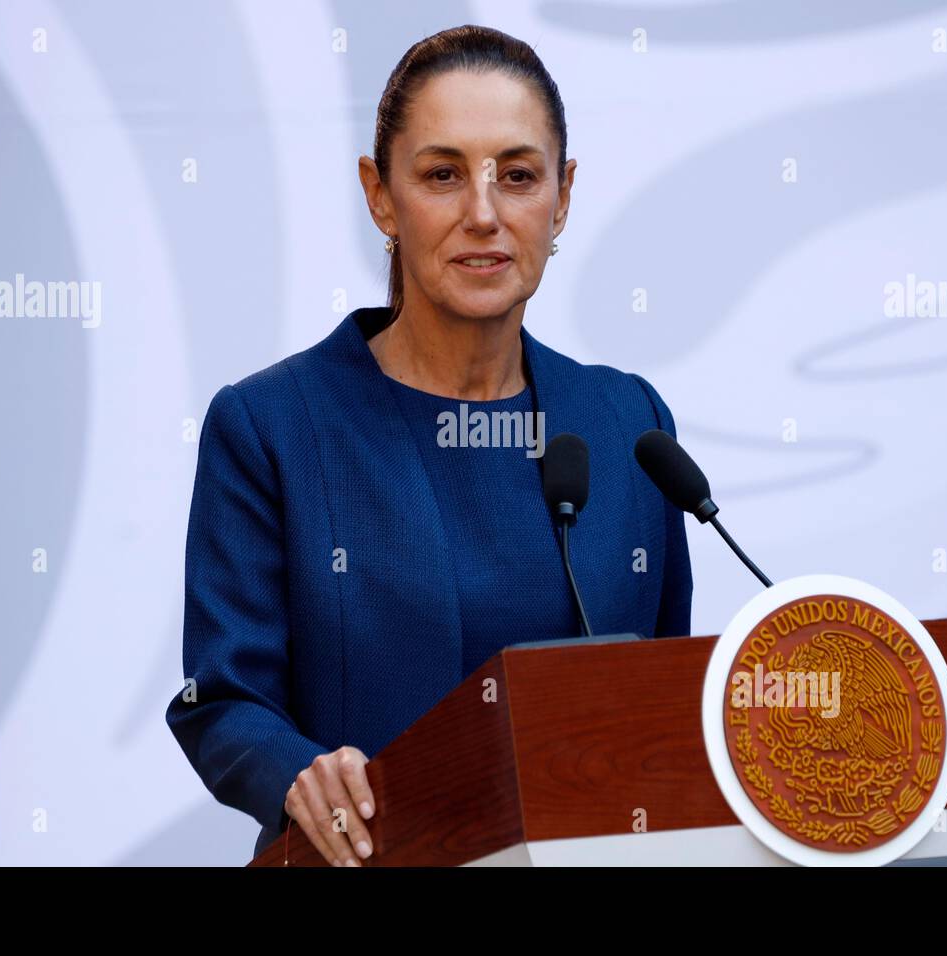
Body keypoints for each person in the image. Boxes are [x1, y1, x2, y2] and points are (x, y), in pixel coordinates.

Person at [165, 24, 692, 867]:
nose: (483, 214)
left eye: (518, 176)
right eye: (442, 175)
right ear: (380, 195)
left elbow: (667, 695)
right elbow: (221, 700)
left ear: (562, 198)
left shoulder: (625, 421)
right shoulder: (272, 426)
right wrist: (300, 773)